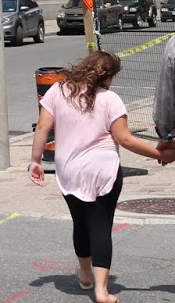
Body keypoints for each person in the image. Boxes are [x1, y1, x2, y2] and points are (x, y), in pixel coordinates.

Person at [28, 50, 172, 302]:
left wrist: (35, 160)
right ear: (106, 76)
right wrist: (159, 154)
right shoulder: (111, 100)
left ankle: (85, 273)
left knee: (80, 223)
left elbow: (43, 126)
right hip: (103, 170)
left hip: (70, 170)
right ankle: (102, 291)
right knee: (101, 226)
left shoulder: (58, 91)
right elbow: (124, 139)